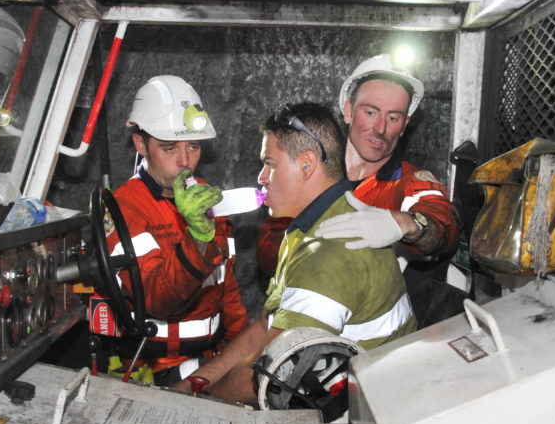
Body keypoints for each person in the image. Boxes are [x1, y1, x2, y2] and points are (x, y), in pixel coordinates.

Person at [174, 102, 417, 402]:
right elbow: (265, 326)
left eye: (270, 164)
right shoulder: (317, 223)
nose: (261, 177)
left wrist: (198, 403)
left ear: (306, 165)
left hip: (368, 409)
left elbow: (261, 378)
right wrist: (189, 388)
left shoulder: (328, 252)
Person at [256, 53, 460, 276]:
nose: (380, 128)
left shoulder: (411, 184)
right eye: (371, 112)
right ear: (348, 111)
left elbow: (445, 226)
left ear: (404, 126)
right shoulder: (311, 173)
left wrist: (406, 224)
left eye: (393, 118)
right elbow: (269, 258)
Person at [107, 75, 248, 385]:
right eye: (169, 148)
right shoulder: (125, 209)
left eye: (194, 146)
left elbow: (227, 288)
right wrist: (197, 237)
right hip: (154, 368)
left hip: (211, 355)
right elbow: (156, 299)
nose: (185, 162)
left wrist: (243, 348)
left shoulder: (204, 197)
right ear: (140, 144)